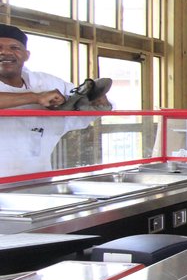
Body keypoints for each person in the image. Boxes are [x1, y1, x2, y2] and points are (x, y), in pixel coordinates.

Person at [0, 23, 111, 177]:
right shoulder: (39, 91)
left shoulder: (45, 82)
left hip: (39, 182)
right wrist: (36, 97)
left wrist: (98, 100)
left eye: (14, 47)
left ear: (26, 55)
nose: (5, 52)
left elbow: (81, 101)